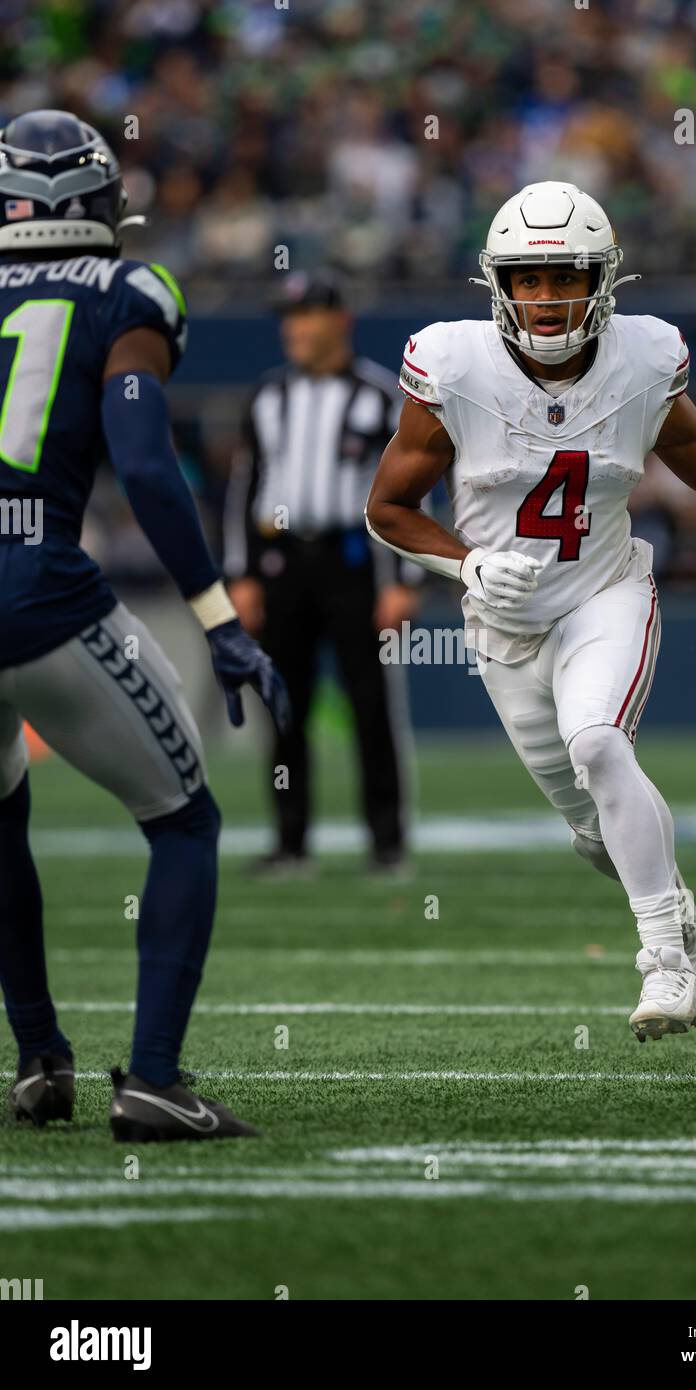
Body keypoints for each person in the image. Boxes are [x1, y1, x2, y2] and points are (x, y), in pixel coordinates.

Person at [366, 180, 696, 1042]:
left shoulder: (643, 363)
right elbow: (386, 508)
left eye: (565, 276)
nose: (545, 299)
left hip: (604, 594)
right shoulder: (454, 366)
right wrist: (467, 566)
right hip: (504, 629)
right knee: (593, 831)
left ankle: (667, 964)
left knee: (600, 744)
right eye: (527, 280)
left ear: (602, 279)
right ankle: (676, 912)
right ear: (498, 285)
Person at [0, 110, 287, 1140]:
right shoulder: (131, 289)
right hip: (39, 592)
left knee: (3, 821)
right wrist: (217, 617)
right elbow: (149, 464)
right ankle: (155, 1079)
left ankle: (39, 1058)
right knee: (184, 819)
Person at [225, 270, 420, 874]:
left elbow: (410, 492)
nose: (294, 329)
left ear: (340, 321)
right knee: (285, 706)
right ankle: (291, 842)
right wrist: (243, 574)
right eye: (289, 317)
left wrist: (402, 581)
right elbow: (243, 491)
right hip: (283, 561)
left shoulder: (381, 395)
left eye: (306, 315)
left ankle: (385, 843)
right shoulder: (267, 397)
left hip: (354, 561)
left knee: (370, 704)